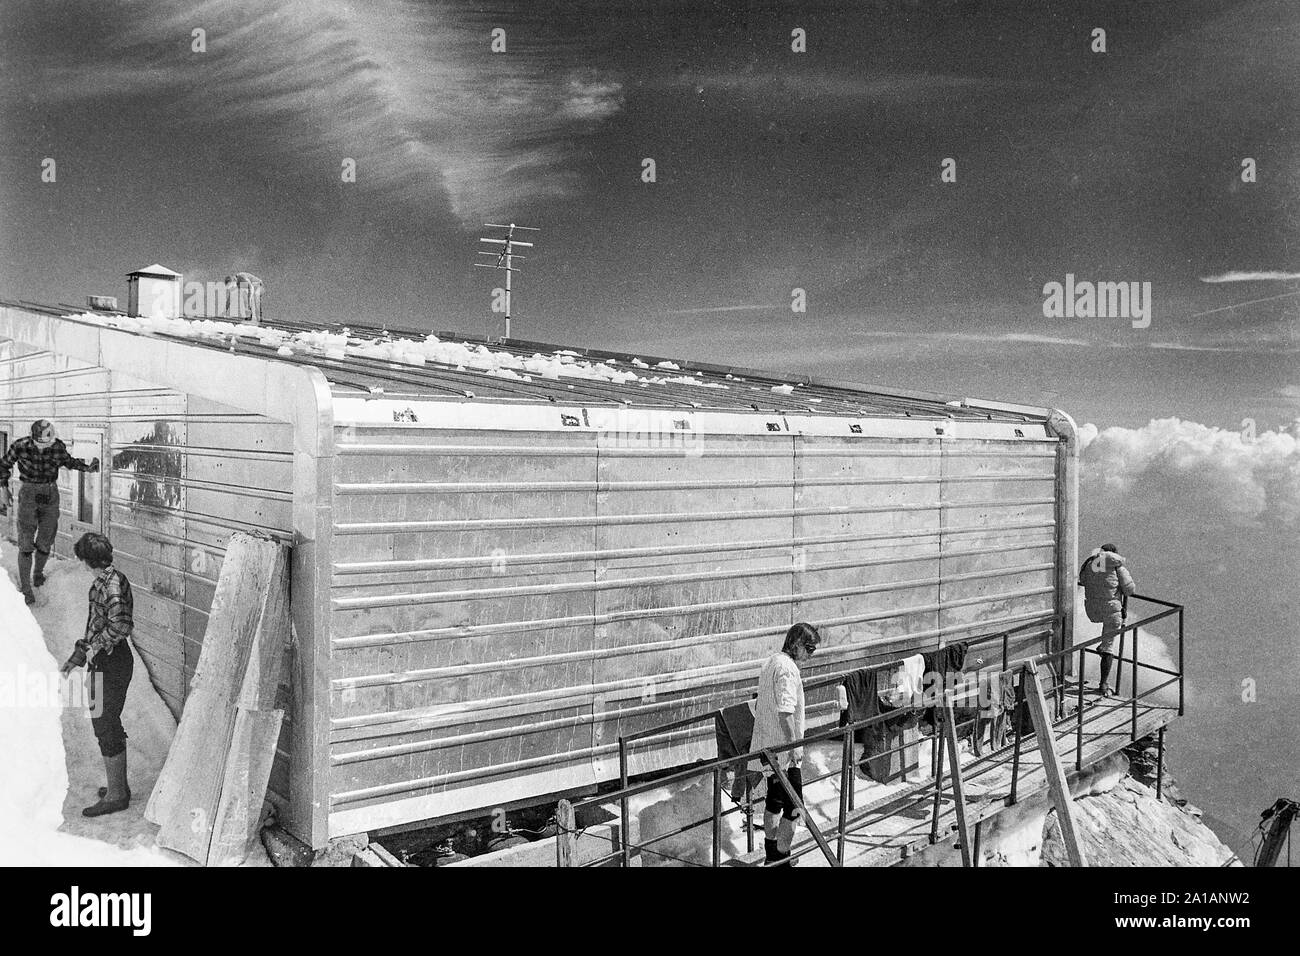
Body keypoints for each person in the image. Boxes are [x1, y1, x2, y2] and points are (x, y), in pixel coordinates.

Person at [58, 533, 135, 817]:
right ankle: (119, 787)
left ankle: (116, 795)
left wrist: (97, 649)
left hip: (111, 663)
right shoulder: (107, 580)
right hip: (107, 661)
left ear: (86, 559)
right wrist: (78, 657)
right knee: (107, 721)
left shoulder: (110, 585)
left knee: (105, 724)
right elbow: (97, 627)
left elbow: (122, 625)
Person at [0, 420, 100, 604]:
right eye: (46, 437)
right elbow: (3, 464)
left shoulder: (57, 446)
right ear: (35, 437)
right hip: (28, 493)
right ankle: (26, 588)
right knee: (26, 543)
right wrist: (3, 488)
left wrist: (88, 467)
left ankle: (38, 574)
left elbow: (69, 462)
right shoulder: (20, 446)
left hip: (50, 493)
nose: (50, 440)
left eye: (51, 436)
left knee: (46, 539)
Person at [751, 622, 820, 867]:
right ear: (796, 644)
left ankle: (773, 855)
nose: (810, 656)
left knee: (774, 801)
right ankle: (780, 858)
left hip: (768, 747)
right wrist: (795, 746)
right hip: (784, 752)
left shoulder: (772, 661)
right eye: (809, 649)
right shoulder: (788, 669)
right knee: (795, 808)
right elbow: (786, 712)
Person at [1078, 543, 1136, 697]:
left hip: (1094, 609)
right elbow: (1130, 590)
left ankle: (1101, 647)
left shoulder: (1091, 565)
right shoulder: (1117, 568)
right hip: (1111, 611)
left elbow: (1082, 580)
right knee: (1108, 647)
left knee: (1106, 641)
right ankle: (1103, 684)